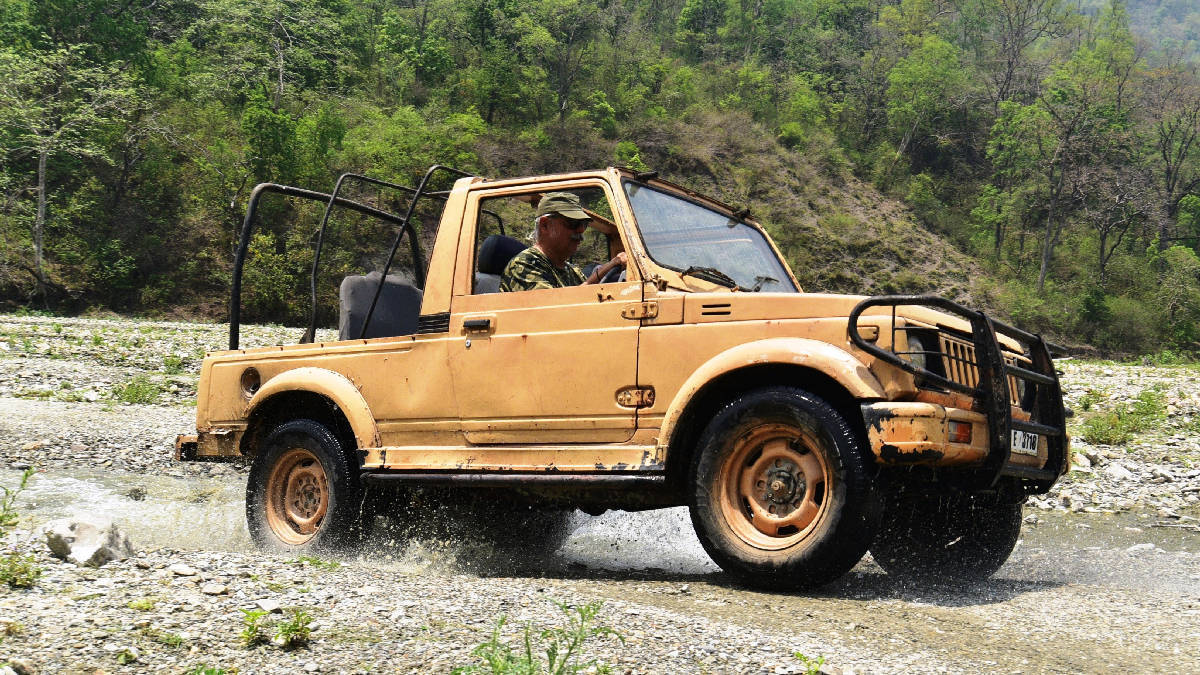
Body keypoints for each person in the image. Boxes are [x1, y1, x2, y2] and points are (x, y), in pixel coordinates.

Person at [499, 192, 627, 292]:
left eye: (583, 224)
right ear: (545, 225)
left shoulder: (572, 271)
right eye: (573, 223)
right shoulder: (524, 265)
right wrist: (611, 265)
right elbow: (559, 310)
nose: (581, 230)